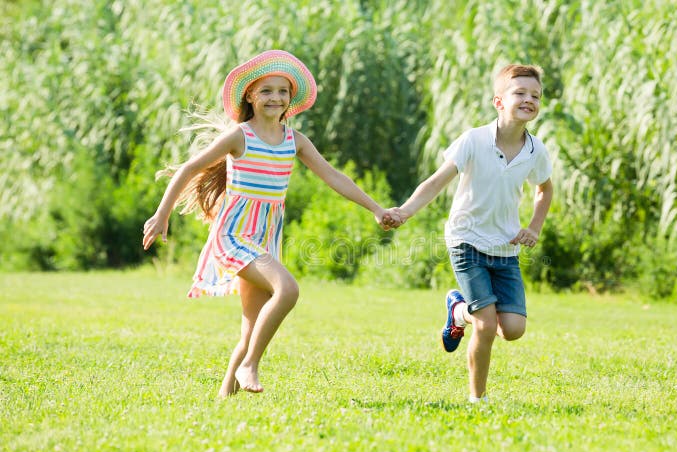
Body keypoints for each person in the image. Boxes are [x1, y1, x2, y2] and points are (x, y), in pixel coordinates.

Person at [142, 50, 397, 398]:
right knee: (288, 289)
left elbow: (334, 177)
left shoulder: (295, 141)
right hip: (233, 236)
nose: (275, 97)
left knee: (250, 330)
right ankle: (251, 365)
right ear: (249, 95)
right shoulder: (239, 136)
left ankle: (224, 398)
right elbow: (189, 169)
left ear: (291, 98)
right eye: (266, 91)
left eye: (282, 91)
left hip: (264, 239)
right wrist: (162, 214)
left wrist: (376, 208)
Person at [390, 64, 553, 403]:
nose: (529, 100)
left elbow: (544, 190)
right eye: (519, 93)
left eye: (535, 95)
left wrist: (534, 227)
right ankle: (477, 399)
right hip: (467, 240)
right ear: (498, 101)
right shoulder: (473, 140)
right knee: (486, 323)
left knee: (513, 329)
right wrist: (405, 211)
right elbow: (436, 181)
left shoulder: (537, 150)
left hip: (506, 246)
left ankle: (457, 311)